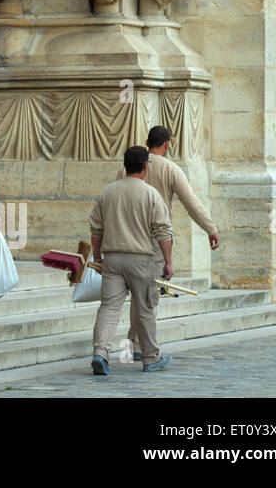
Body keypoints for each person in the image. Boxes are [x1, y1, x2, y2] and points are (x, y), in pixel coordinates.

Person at [116, 124, 219, 359]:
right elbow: (191, 202)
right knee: (148, 296)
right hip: (155, 241)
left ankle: (135, 341)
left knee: (140, 295)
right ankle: (142, 347)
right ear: (166, 144)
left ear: (147, 142)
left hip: (126, 237)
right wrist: (210, 229)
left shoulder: (126, 168)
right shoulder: (170, 169)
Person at [89, 146, 173, 375]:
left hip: (113, 259)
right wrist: (168, 261)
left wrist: (97, 256)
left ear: (125, 165)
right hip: (140, 260)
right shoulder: (150, 194)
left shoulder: (108, 192)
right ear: (145, 166)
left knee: (108, 308)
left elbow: (96, 227)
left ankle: (100, 353)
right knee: (144, 308)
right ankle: (150, 357)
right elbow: (163, 231)